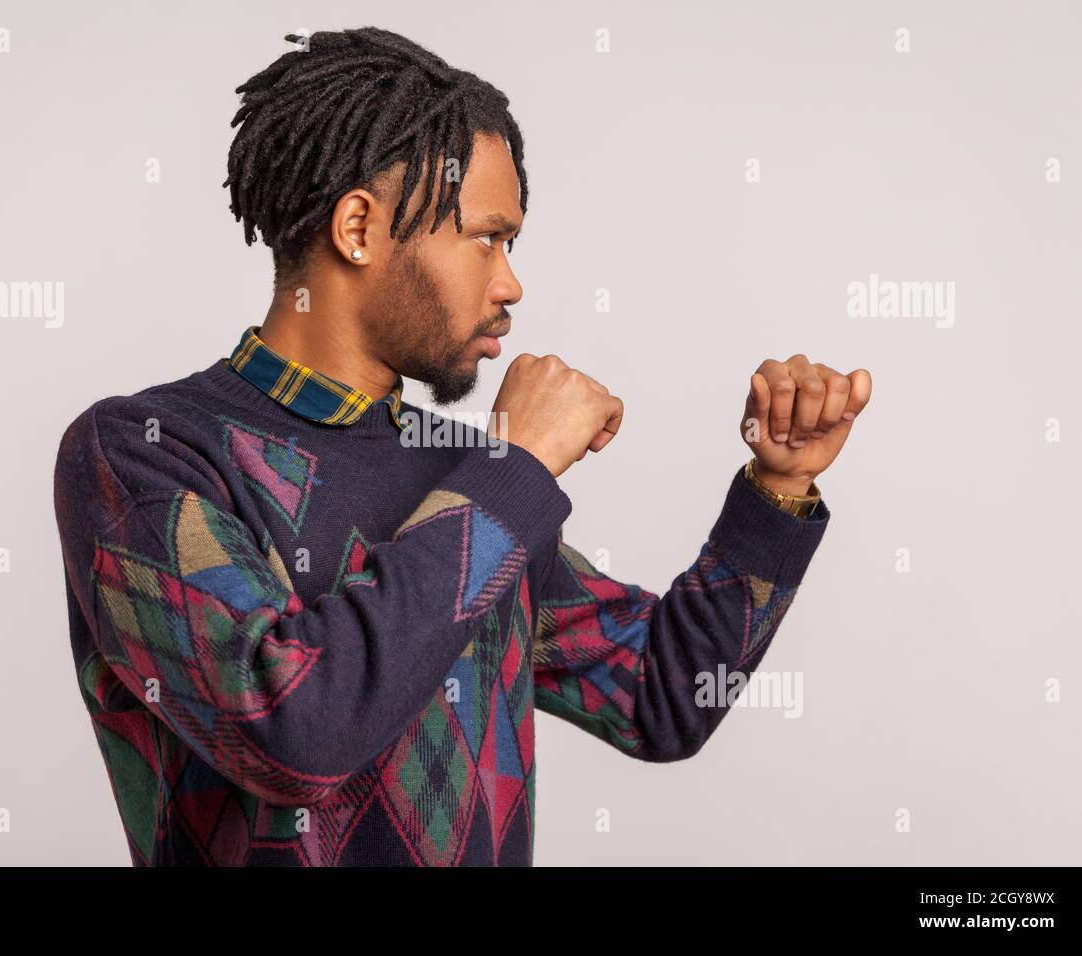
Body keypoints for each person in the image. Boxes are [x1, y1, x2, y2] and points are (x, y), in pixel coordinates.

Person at [52, 26, 870, 866]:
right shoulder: (141, 454)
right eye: (487, 237)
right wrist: (514, 470)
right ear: (360, 228)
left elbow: (661, 699)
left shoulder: (466, 474)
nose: (511, 282)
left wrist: (779, 490)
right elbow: (294, 729)